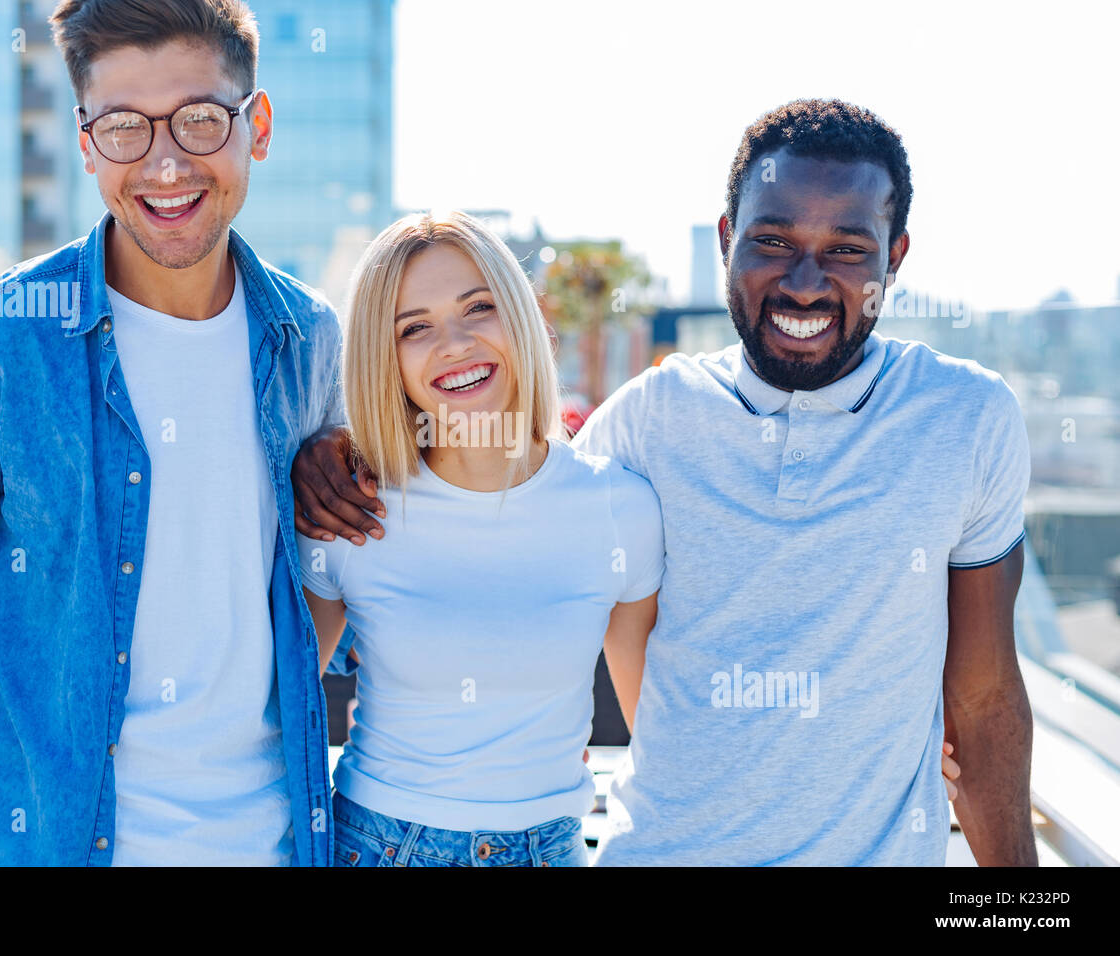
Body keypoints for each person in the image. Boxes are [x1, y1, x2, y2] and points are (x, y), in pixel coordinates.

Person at [293, 99, 1018, 866]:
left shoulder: (964, 418)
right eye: (773, 240)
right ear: (727, 243)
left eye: (845, 249)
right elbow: (287, 713)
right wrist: (331, 447)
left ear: (894, 257)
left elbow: (982, 698)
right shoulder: (635, 429)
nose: (805, 282)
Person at [0, 0, 342, 866]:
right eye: (124, 128)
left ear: (256, 125)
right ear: (84, 142)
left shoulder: (310, 340)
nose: (166, 162)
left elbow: (312, 596)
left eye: (199, 119)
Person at [296, 211, 664, 867]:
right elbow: (274, 707)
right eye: (415, 328)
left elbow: (660, 741)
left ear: (519, 317)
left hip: (550, 849)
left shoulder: (619, 510)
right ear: (387, 357)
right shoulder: (352, 512)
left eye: (478, 308)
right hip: (378, 847)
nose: (456, 343)